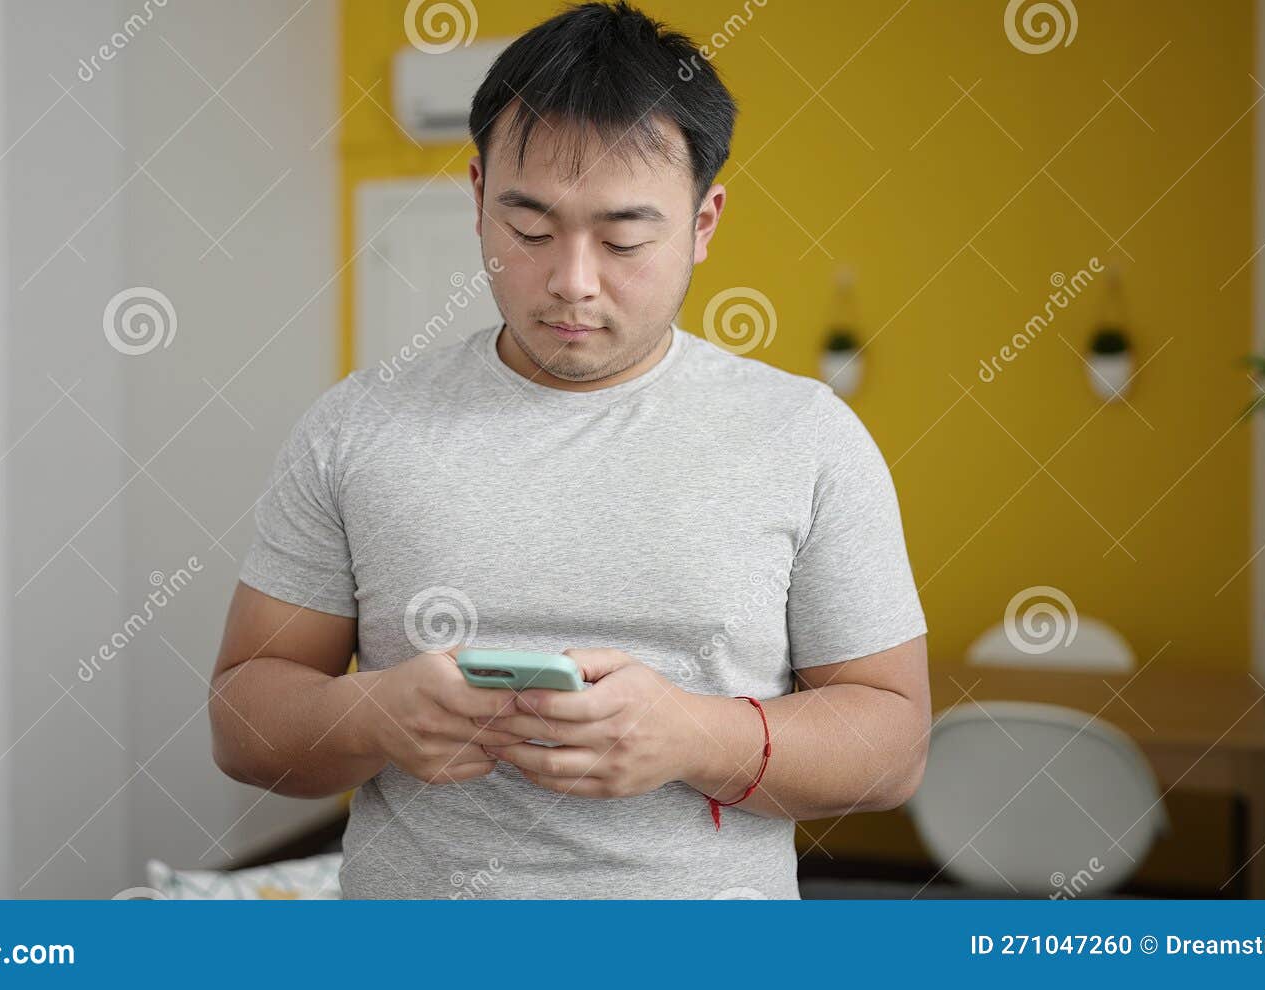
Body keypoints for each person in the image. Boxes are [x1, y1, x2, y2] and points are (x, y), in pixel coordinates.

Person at [209, 0, 929, 899]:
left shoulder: (807, 435)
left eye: (624, 238)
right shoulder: (354, 427)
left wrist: (695, 737)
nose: (572, 282)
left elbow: (894, 748)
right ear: (478, 198)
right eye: (530, 231)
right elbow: (243, 724)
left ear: (704, 223)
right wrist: (370, 714)